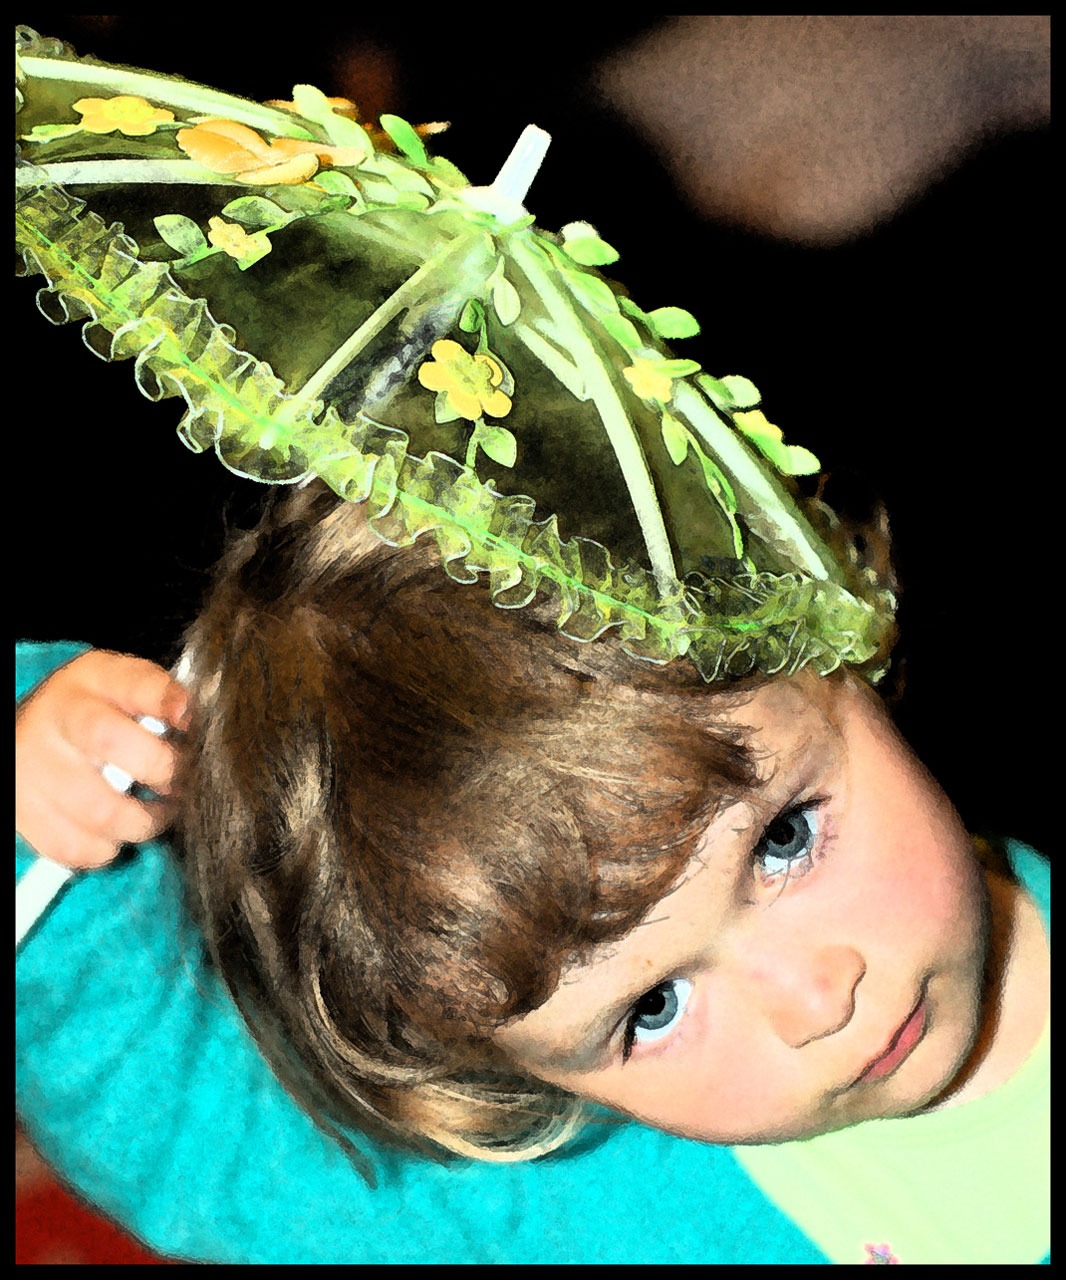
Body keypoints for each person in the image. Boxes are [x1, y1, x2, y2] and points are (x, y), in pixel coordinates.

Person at [15, 28, 1048, 1265]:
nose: (817, 998)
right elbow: (200, 1135)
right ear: (483, 1068)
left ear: (823, 620)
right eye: (647, 1009)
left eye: (783, 839)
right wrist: (57, 850)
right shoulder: (555, 1208)